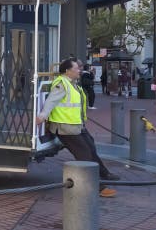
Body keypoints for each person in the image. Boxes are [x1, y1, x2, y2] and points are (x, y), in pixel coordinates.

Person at [36, 58, 118, 198]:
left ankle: (104, 174)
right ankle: (97, 186)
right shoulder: (62, 84)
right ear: (68, 71)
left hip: (75, 125)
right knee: (84, 154)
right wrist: (42, 116)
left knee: (90, 147)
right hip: (65, 127)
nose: (79, 70)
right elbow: (51, 101)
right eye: (76, 68)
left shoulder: (72, 84)